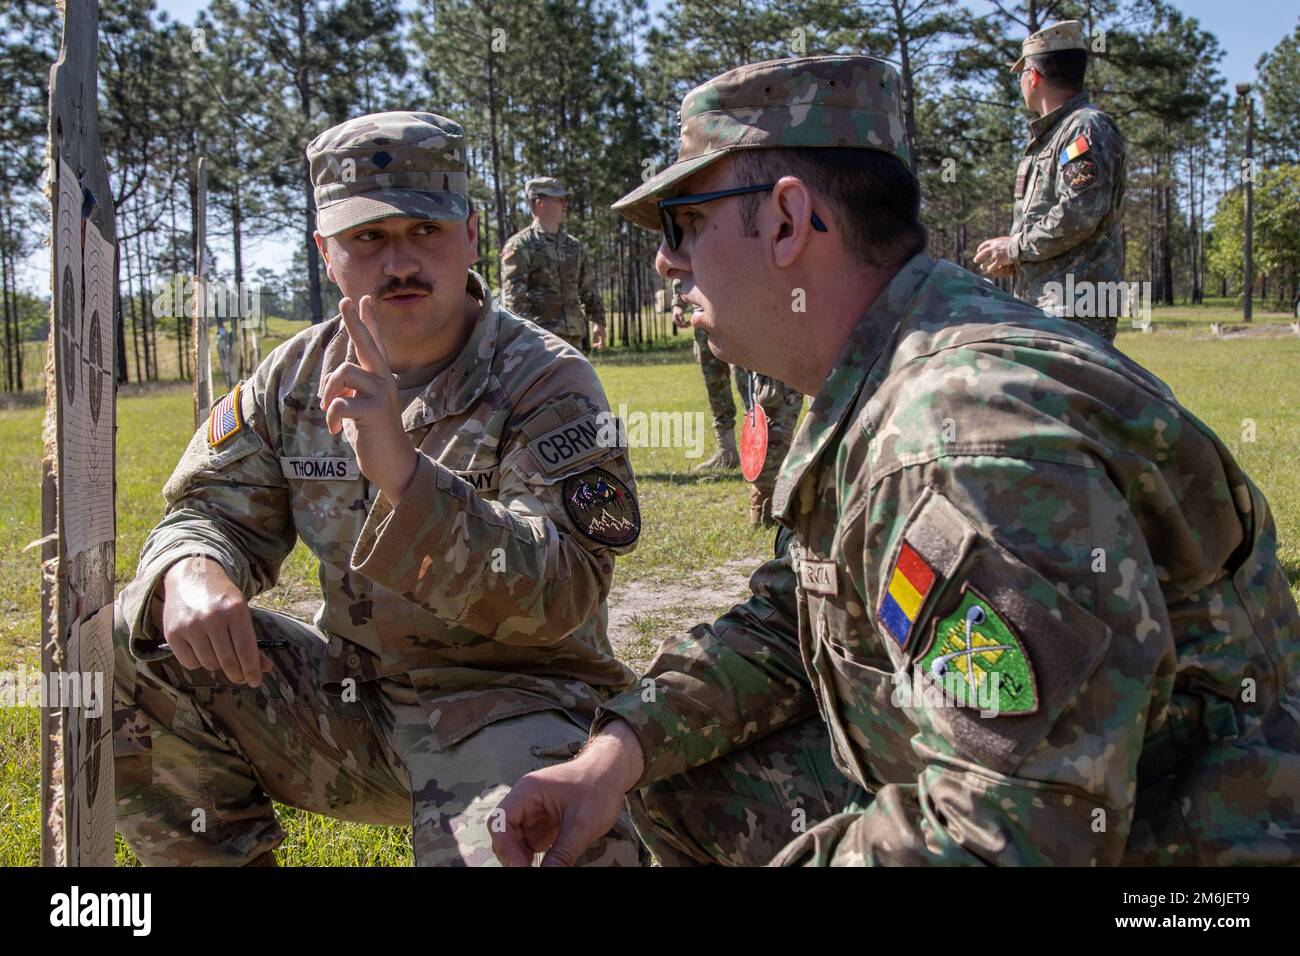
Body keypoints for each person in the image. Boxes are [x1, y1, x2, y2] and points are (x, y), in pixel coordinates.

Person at [492, 55, 1300, 867]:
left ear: (786, 220)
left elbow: (1006, 839)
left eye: (686, 222)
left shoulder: (958, 440)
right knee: (673, 782)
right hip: (1077, 807)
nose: (667, 261)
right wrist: (619, 749)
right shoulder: (888, 362)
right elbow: (791, 616)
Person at [112, 111, 644, 867]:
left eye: (425, 230)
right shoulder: (295, 377)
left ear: (470, 233)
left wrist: (407, 478)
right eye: (367, 237)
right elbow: (207, 508)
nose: (400, 262)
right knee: (132, 637)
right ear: (325, 252)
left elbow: (567, 589)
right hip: (353, 708)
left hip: (517, 707)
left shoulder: (548, 380)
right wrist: (193, 567)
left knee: (527, 844)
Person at [974, 19, 1127, 342]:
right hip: (1051, 302)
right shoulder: (1055, 135)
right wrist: (1020, 258)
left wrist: (1014, 248)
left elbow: (1078, 214)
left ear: (1033, 76)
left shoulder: (1084, 128)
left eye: (1021, 75)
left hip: (1074, 304)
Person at [672, 278, 803, 527]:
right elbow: (684, 267)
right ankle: (760, 493)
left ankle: (768, 493)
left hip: (768, 312)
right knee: (765, 400)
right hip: (730, 312)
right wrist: (679, 301)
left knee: (768, 401)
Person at [500, 177, 607, 352]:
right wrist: (528, 338)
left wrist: (598, 321)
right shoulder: (521, 245)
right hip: (540, 342)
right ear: (540, 203)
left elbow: (588, 288)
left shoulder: (573, 246)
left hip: (573, 339)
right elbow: (514, 299)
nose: (565, 204)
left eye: (566, 199)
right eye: (559, 199)